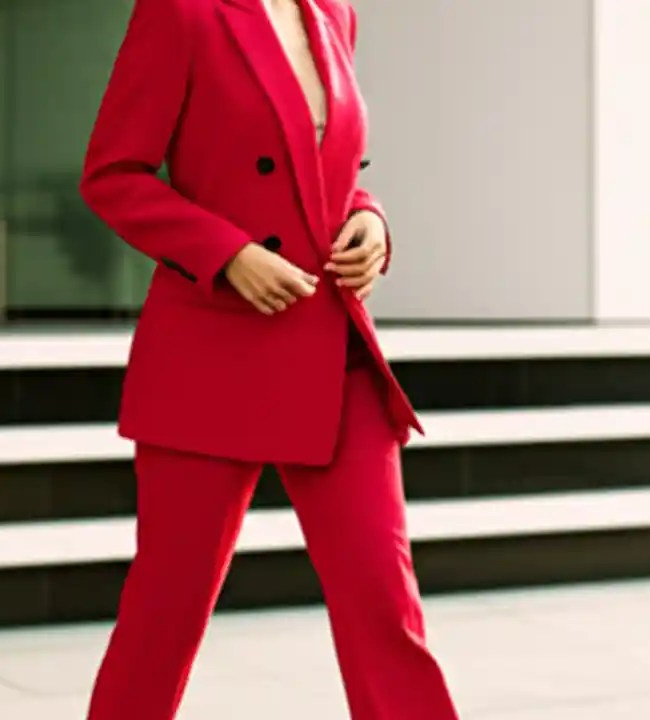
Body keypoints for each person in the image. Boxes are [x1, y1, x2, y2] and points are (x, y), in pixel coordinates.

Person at [79, 0, 459, 717]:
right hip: (212, 354)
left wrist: (369, 218)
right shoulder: (181, 14)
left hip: (330, 349)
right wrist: (224, 254)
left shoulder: (334, 13)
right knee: (167, 615)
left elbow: (321, 170)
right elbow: (112, 174)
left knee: (385, 606)